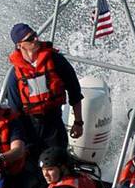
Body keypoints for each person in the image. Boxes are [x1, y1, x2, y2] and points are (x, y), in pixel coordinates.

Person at [7, 23, 84, 153]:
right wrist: (18, 138)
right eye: (30, 38)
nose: (36, 39)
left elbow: (74, 91)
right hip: (29, 127)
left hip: (53, 123)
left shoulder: (56, 61)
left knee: (55, 162)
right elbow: (15, 109)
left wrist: (78, 122)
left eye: (35, 35)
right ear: (19, 45)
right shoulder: (15, 74)